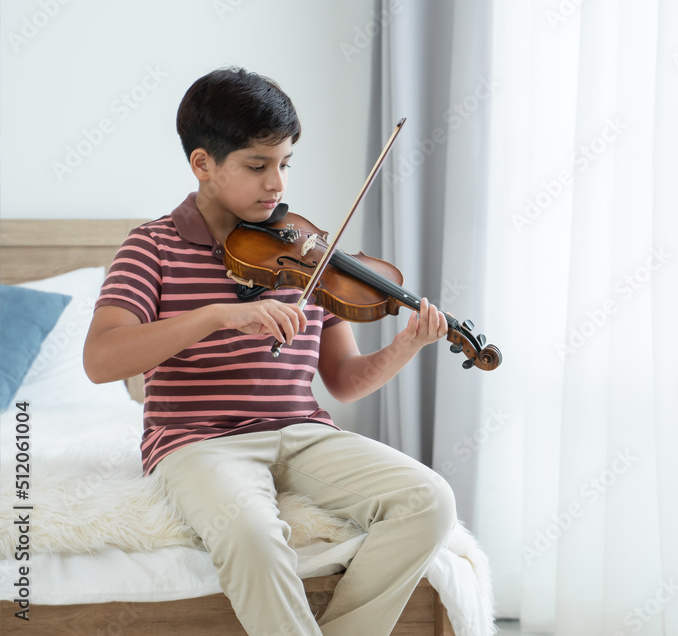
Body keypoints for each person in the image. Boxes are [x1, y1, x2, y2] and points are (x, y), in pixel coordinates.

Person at [83, 66, 457, 636]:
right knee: (252, 532)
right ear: (203, 163)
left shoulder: (307, 251)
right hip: (199, 439)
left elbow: (345, 381)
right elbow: (100, 359)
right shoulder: (151, 245)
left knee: (428, 498)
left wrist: (408, 343)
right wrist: (217, 316)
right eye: (257, 166)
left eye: (285, 164)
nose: (277, 183)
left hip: (304, 434)